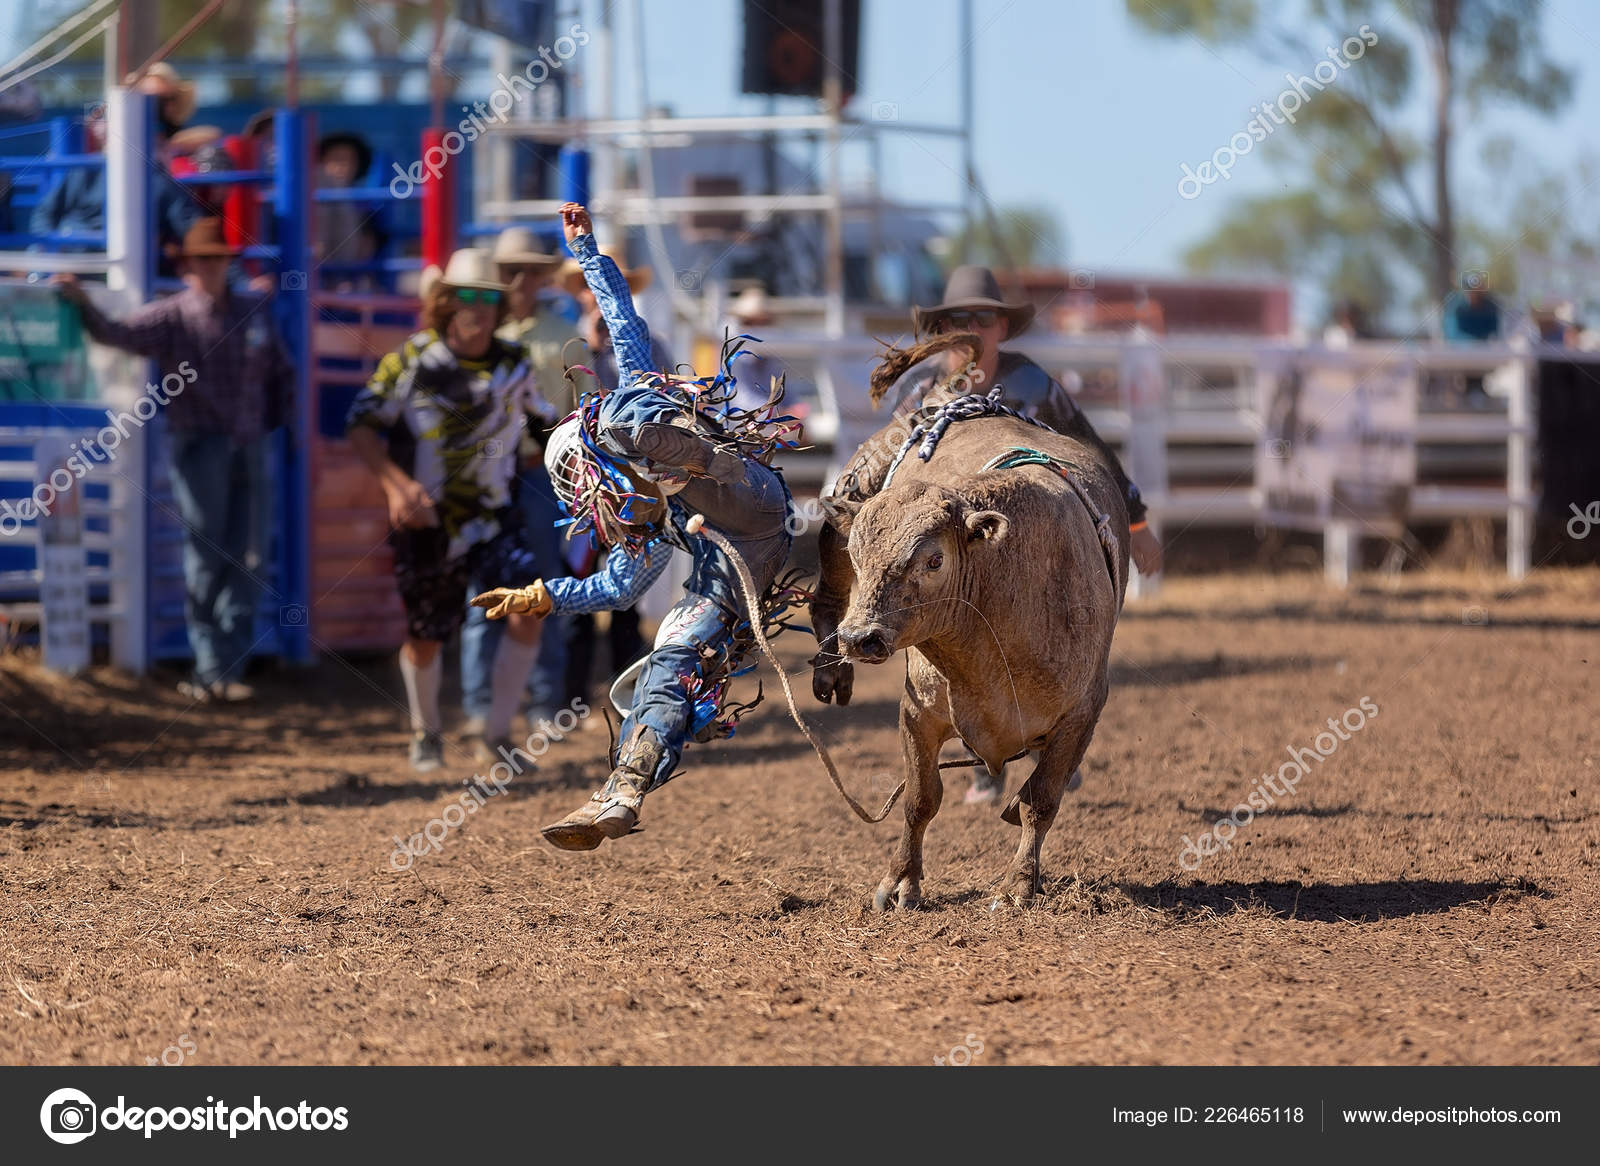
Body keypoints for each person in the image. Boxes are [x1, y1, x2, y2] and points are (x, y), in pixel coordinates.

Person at [472, 202, 796, 851]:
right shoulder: (642, 527)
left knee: (626, 413)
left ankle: (703, 458)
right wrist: (543, 595)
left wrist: (588, 251)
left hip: (750, 498)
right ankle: (623, 788)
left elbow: (623, 319)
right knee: (667, 664)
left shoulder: (626, 407)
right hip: (727, 570)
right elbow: (618, 587)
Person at [886, 264, 1163, 804]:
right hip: (948, 560)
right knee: (956, 650)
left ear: (1001, 327)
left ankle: (1047, 738)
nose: (970, 329)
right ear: (940, 330)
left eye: (981, 318)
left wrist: (1135, 520)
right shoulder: (920, 394)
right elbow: (891, 474)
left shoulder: (1032, 384)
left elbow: (1090, 454)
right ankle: (989, 762)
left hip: (1030, 553)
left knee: (1035, 642)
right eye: (957, 319)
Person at [52, 218, 295, 701]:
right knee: (208, 553)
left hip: (247, 442)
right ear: (187, 265)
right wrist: (83, 302)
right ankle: (212, 668)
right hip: (202, 443)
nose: (211, 266)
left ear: (227, 263)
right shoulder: (174, 315)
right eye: (203, 259)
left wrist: (286, 431)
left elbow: (282, 374)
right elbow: (115, 333)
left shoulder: (252, 310)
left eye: (218, 258)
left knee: (249, 556)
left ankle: (229, 668)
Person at [345, 248, 558, 772]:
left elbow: (547, 425)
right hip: (427, 519)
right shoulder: (411, 359)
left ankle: (495, 733)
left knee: (529, 610)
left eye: (490, 296)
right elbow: (362, 425)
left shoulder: (515, 363)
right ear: (444, 301)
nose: (478, 305)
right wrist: (395, 487)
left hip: (496, 515)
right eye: (467, 294)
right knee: (426, 633)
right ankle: (426, 731)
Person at [457, 227, 572, 756]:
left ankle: (544, 704)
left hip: (542, 474)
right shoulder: (481, 337)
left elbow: (577, 411)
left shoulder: (561, 335)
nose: (521, 280)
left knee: (547, 585)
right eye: (510, 272)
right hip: (485, 478)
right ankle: (482, 710)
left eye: (530, 271)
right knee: (479, 588)